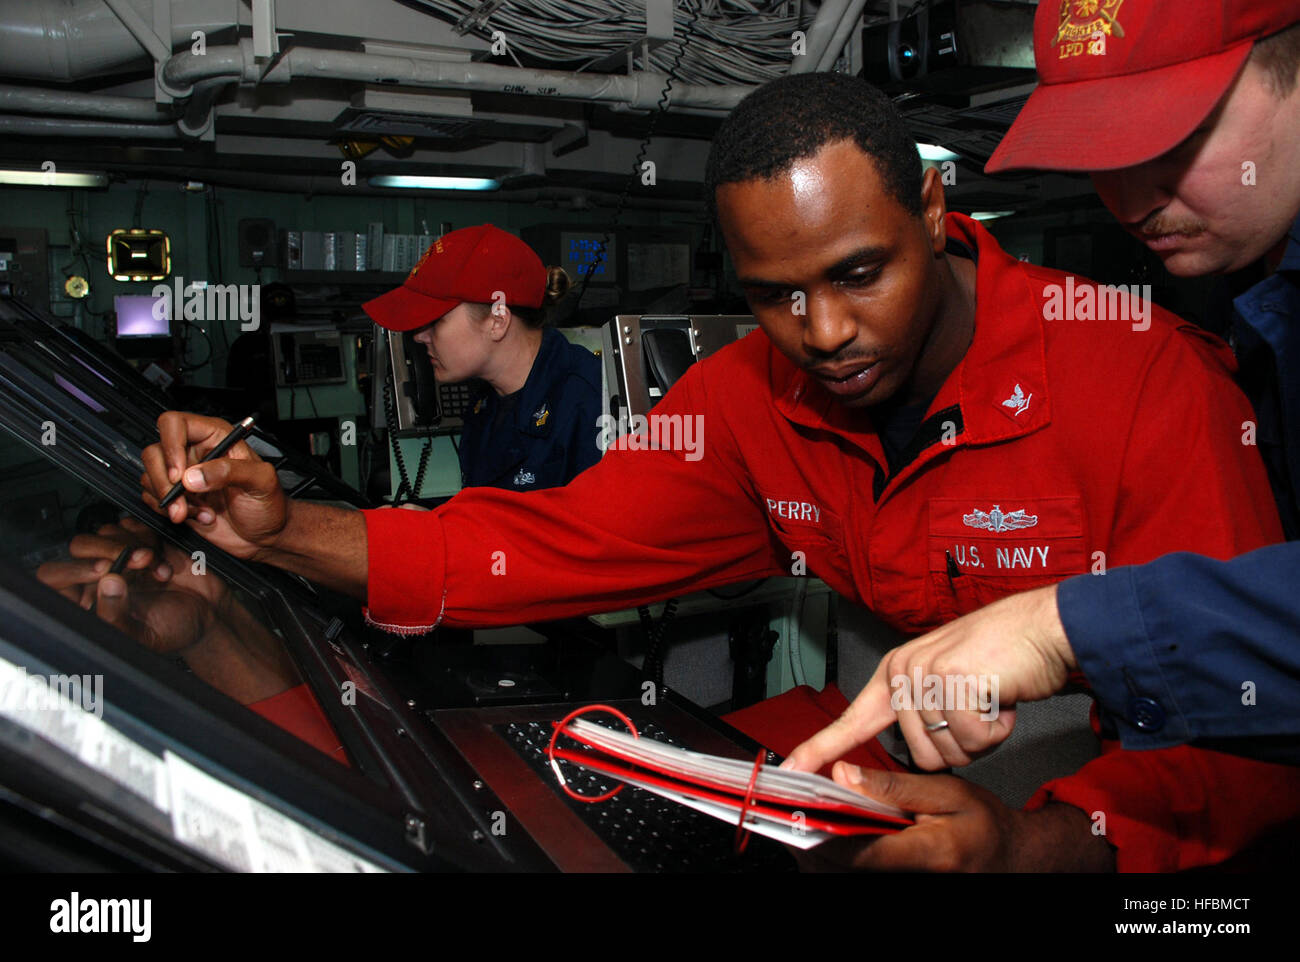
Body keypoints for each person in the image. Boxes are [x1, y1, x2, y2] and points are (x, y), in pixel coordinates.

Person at [138, 72, 1300, 871]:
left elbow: (1243, 746)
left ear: (936, 210)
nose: (821, 331)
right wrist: (284, 531)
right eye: (772, 293)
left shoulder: (1145, 380)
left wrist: (1041, 845)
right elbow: (551, 539)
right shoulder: (751, 397)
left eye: (858, 272)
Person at [785, 0, 1300, 783]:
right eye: (1098, 154)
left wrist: (1060, 628)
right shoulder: (1252, 282)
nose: (1131, 202)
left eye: (1174, 139)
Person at [364, 224, 602, 493]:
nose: (419, 337)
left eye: (435, 321)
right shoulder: (485, 403)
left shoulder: (593, 402)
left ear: (497, 321)